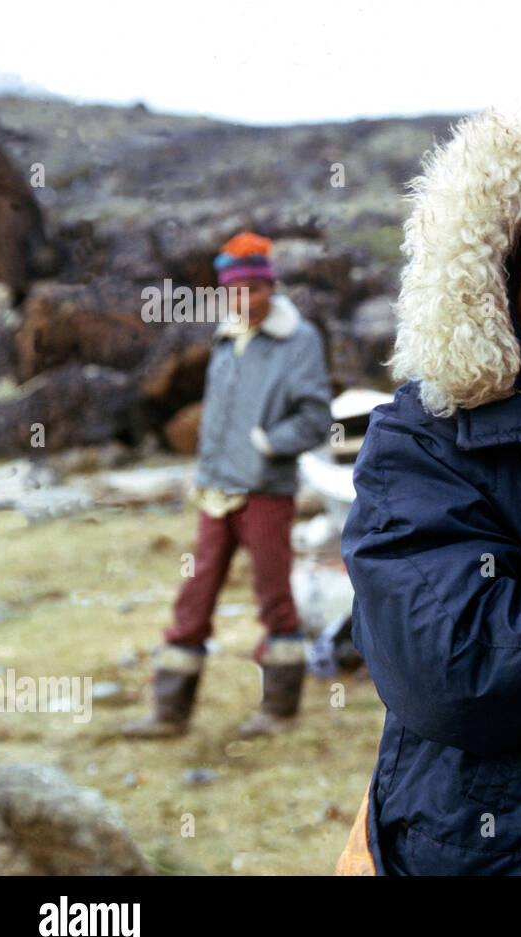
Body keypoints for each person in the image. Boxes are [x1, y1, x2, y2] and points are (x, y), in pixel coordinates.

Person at [124, 231, 332, 739]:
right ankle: (169, 712)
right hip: (215, 491)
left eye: (254, 290)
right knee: (195, 595)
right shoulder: (225, 339)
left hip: (266, 491)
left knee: (273, 597)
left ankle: (279, 710)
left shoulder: (298, 340)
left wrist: (263, 443)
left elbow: (314, 417)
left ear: (270, 287)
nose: (245, 301)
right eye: (235, 292)